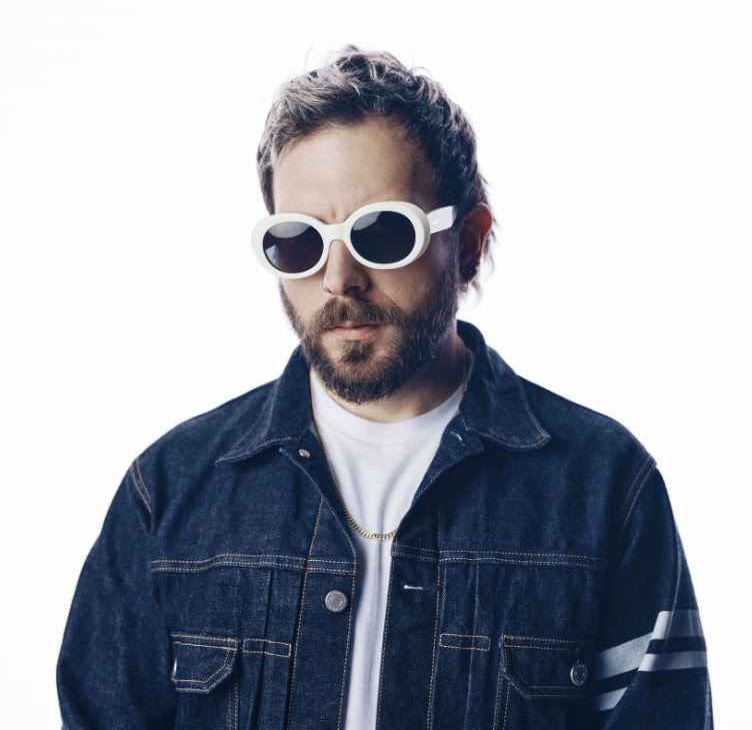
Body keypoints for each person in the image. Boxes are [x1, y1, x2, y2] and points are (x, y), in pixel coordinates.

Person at [57, 46, 712, 729]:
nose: (339, 278)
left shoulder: (605, 486)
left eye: (383, 232)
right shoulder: (168, 490)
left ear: (467, 244)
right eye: (299, 241)